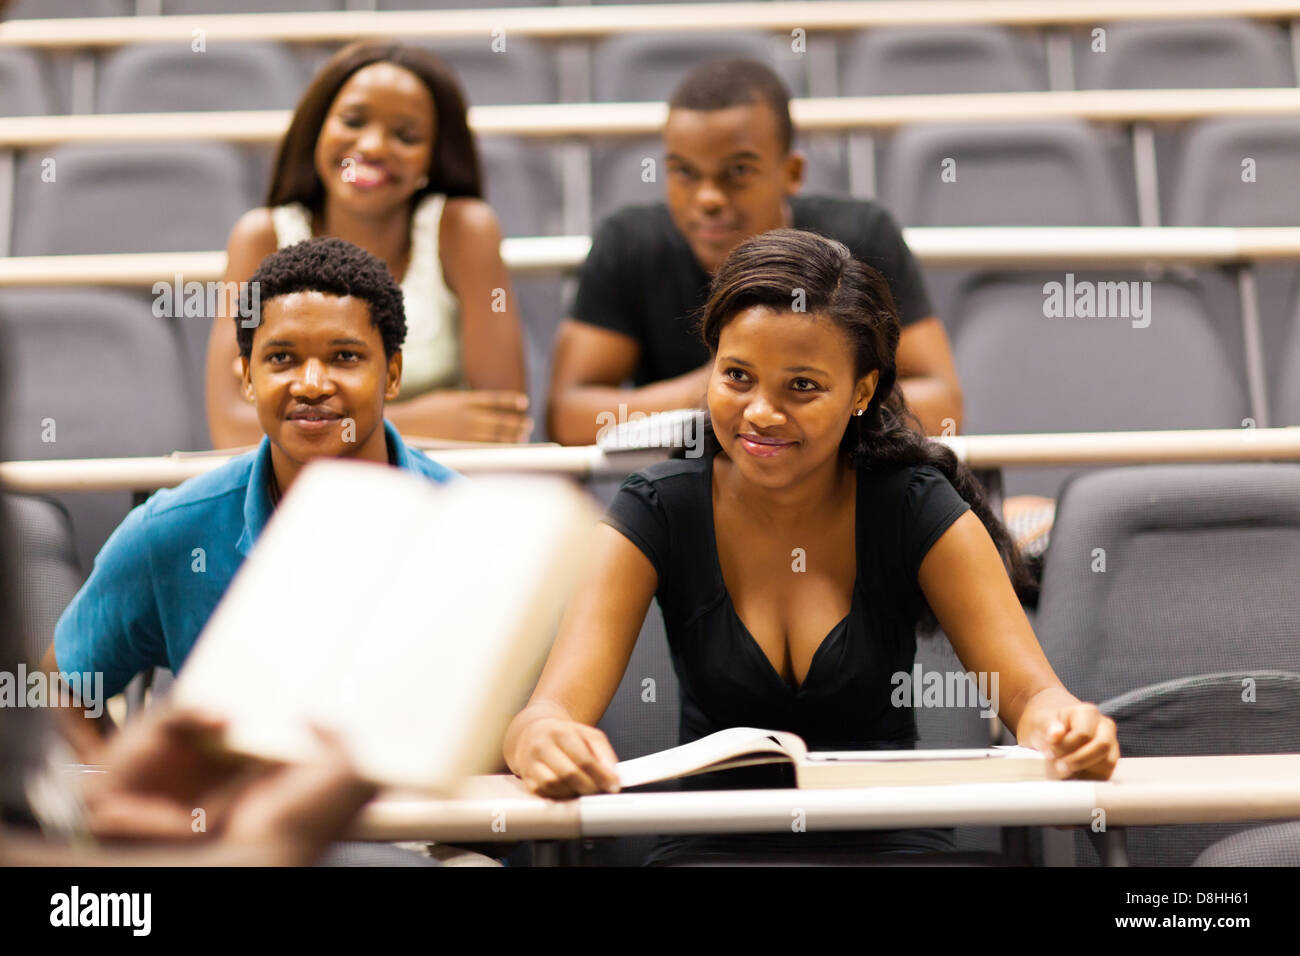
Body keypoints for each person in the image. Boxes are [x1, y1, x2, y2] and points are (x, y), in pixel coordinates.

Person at [506, 230, 1118, 864]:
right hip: (712, 853)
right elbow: (548, 712)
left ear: (860, 392)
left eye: (801, 387)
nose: (761, 412)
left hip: (895, 852)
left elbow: (1032, 697)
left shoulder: (916, 506)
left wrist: (1067, 730)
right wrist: (542, 739)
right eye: (737, 376)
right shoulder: (655, 509)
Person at [44, 237, 457, 754]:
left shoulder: (468, 525)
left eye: (345, 357)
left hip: (435, 830)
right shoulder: (171, 530)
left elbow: (524, 713)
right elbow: (56, 691)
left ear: (392, 374)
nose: (310, 384)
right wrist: (116, 801)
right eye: (281, 358)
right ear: (247, 378)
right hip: (232, 833)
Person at [548, 58, 963, 446]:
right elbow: (570, 418)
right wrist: (723, 387)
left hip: (846, 490)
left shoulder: (861, 236)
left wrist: (801, 392)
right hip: (688, 496)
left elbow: (943, 406)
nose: (708, 197)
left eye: (738, 171)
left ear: (793, 173)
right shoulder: (631, 243)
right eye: (683, 172)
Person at [206, 41, 530, 449]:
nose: (374, 147)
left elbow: (501, 424)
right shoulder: (260, 237)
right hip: (295, 491)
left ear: (433, 158)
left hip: (434, 491)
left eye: (406, 135)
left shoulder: (465, 229)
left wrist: (311, 425)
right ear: (317, 130)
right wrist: (420, 419)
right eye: (354, 121)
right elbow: (231, 428)